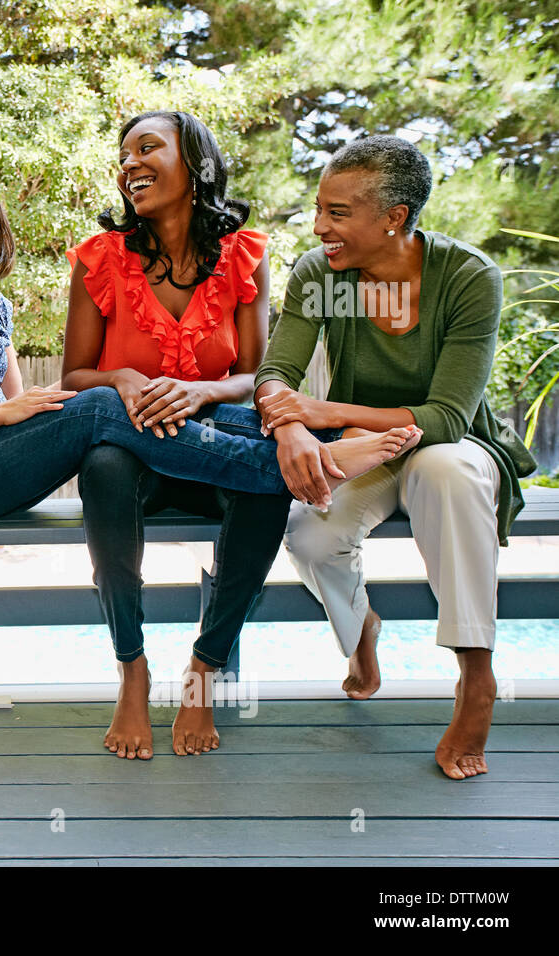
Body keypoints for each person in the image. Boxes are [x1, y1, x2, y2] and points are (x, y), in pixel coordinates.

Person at [0, 162, 421, 748]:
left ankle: (314, 445)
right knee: (109, 400)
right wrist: (2, 416)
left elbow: (27, 406)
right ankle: (313, 457)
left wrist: (21, 414)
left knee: (158, 409)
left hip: (5, 455)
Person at [254, 134, 537, 781]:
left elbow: (447, 417)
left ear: (394, 218)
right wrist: (290, 429)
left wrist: (323, 415)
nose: (320, 226)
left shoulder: (466, 278)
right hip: (363, 451)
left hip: (452, 444)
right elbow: (276, 372)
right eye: (319, 209)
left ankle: (476, 676)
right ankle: (359, 635)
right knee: (311, 533)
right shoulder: (323, 274)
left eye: (338, 213)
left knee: (443, 470)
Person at [63, 110, 284, 760]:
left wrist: (201, 391)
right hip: (137, 455)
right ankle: (132, 670)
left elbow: (255, 375)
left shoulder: (244, 255)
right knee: (103, 464)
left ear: (195, 162)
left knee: (264, 477)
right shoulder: (98, 259)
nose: (130, 163)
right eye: (124, 153)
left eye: (148, 148)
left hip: (214, 448)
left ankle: (204, 669)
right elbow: (76, 374)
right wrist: (125, 378)